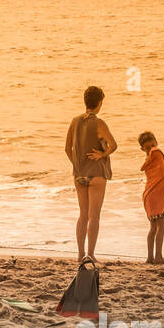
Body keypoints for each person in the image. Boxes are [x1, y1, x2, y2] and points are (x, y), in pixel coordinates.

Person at [65, 86, 116, 263]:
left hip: (79, 175)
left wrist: (78, 165)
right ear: (99, 103)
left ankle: (80, 254)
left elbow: (67, 149)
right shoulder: (100, 123)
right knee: (94, 216)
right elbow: (113, 145)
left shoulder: (74, 121)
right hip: (96, 174)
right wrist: (102, 155)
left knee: (83, 214)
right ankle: (91, 254)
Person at [138, 132, 164, 263]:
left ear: (156, 141)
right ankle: (158, 256)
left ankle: (150, 258)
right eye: (147, 147)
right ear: (143, 149)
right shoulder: (156, 153)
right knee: (162, 225)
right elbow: (155, 151)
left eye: (153, 145)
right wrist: (154, 149)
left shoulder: (150, 160)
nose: (151, 148)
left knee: (154, 227)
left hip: (150, 195)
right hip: (155, 194)